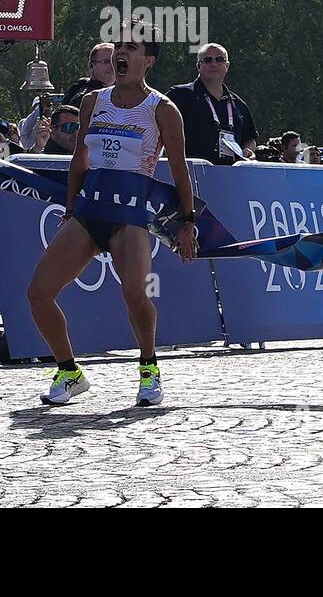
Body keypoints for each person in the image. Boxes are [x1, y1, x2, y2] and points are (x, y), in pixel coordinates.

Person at [27, 20, 196, 408]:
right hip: (89, 213)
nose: (122, 52)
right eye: (119, 46)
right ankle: (69, 372)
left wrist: (187, 222)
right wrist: (71, 208)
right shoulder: (93, 101)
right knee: (38, 293)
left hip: (131, 217)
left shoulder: (163, 109)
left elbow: (181, 170)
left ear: (148, 61)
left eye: (132, 48)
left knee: (135, 294)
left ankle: (149, 369)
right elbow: (79, 158)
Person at [166, 42, 257, 164]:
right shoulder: (179, 95)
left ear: (227, 66)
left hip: (231, 176)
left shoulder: (239, 105)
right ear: (198, 66)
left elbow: (250, 139)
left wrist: (248, 150)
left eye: (219, 59)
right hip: (191, 173)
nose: (214, 64)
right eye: (208, 60)